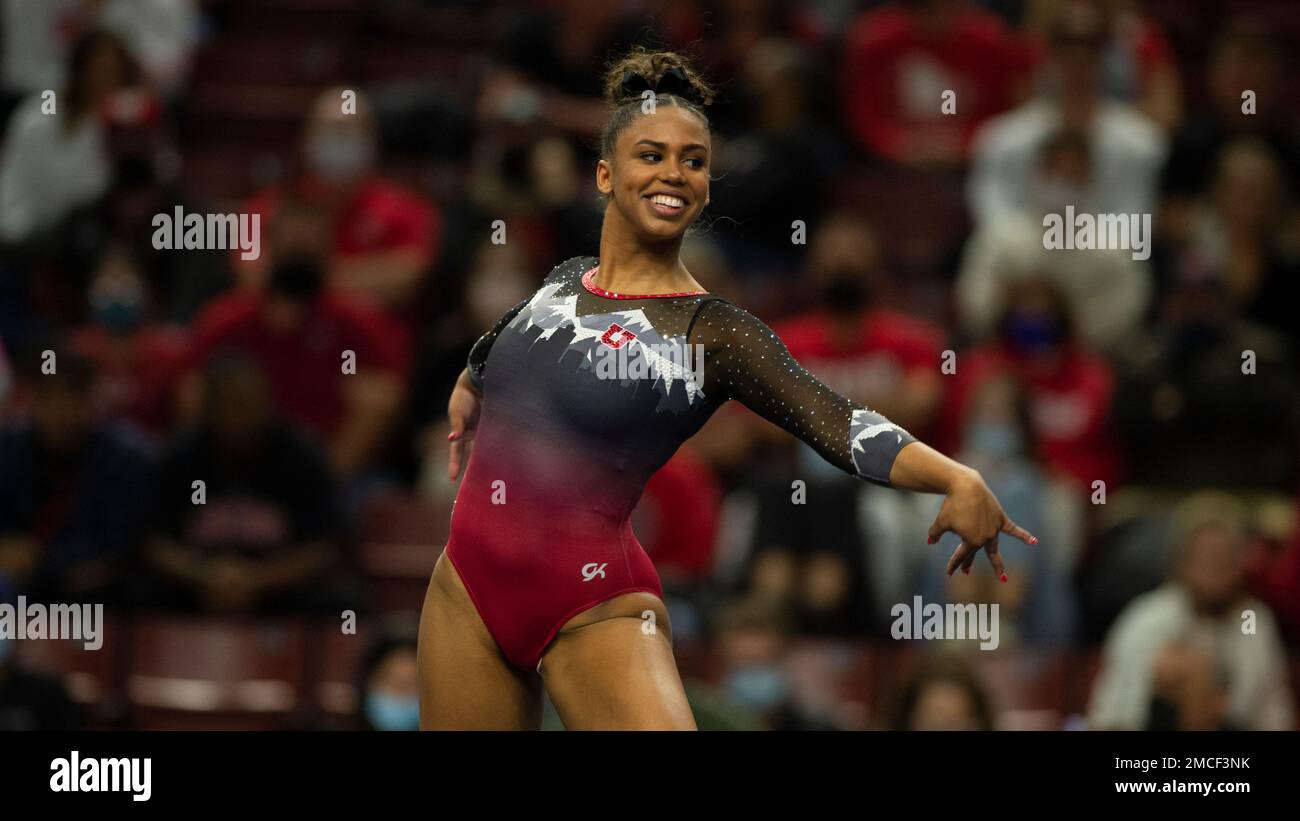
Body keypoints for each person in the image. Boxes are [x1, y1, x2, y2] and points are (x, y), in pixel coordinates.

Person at [417, 48, 1036, 730]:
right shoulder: (566, 277)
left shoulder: (714, 334)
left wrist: (953, 475)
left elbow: (834, 418)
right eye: (651, 155)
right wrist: (471, 379)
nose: (673, 174)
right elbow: (508, 337)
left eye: (693, 161)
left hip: (589, 606)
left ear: (708, 186)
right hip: (466, 586)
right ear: (604, 173)